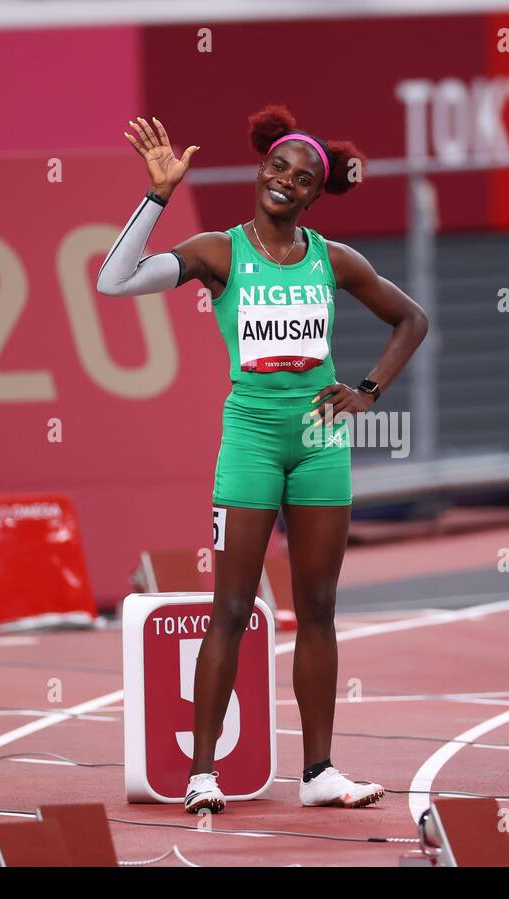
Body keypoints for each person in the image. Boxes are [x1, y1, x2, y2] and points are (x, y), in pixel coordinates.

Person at [98, 106, 428, 812]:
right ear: (260, 170)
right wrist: (157, 195)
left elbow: (412, 318)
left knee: (318, 608)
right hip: (250, 438)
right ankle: (203, 774)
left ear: (315, 194)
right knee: (232, 606)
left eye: (302, 178)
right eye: (278, 167)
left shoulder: (333, 259)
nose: (285, 181)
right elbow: (114, 281)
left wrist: (368, 390)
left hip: (320, 441)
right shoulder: (219, 252)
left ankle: (319, 774)